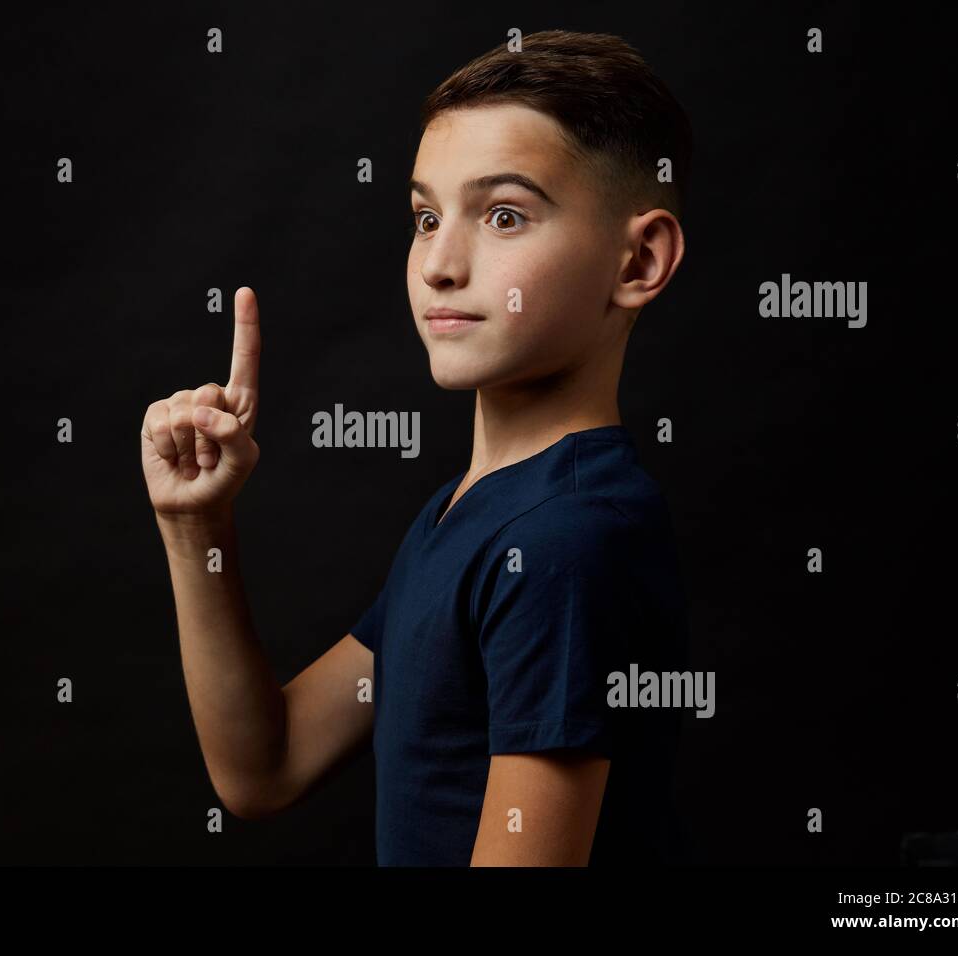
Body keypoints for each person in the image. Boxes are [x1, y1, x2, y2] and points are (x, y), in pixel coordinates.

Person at [141, 30, 693, 866]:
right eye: (425, 216)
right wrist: (195, 524)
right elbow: (267, 767)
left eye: (504, 214)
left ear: (639, 259)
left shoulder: (565, 542)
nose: (439, 263)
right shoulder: (465, 514)